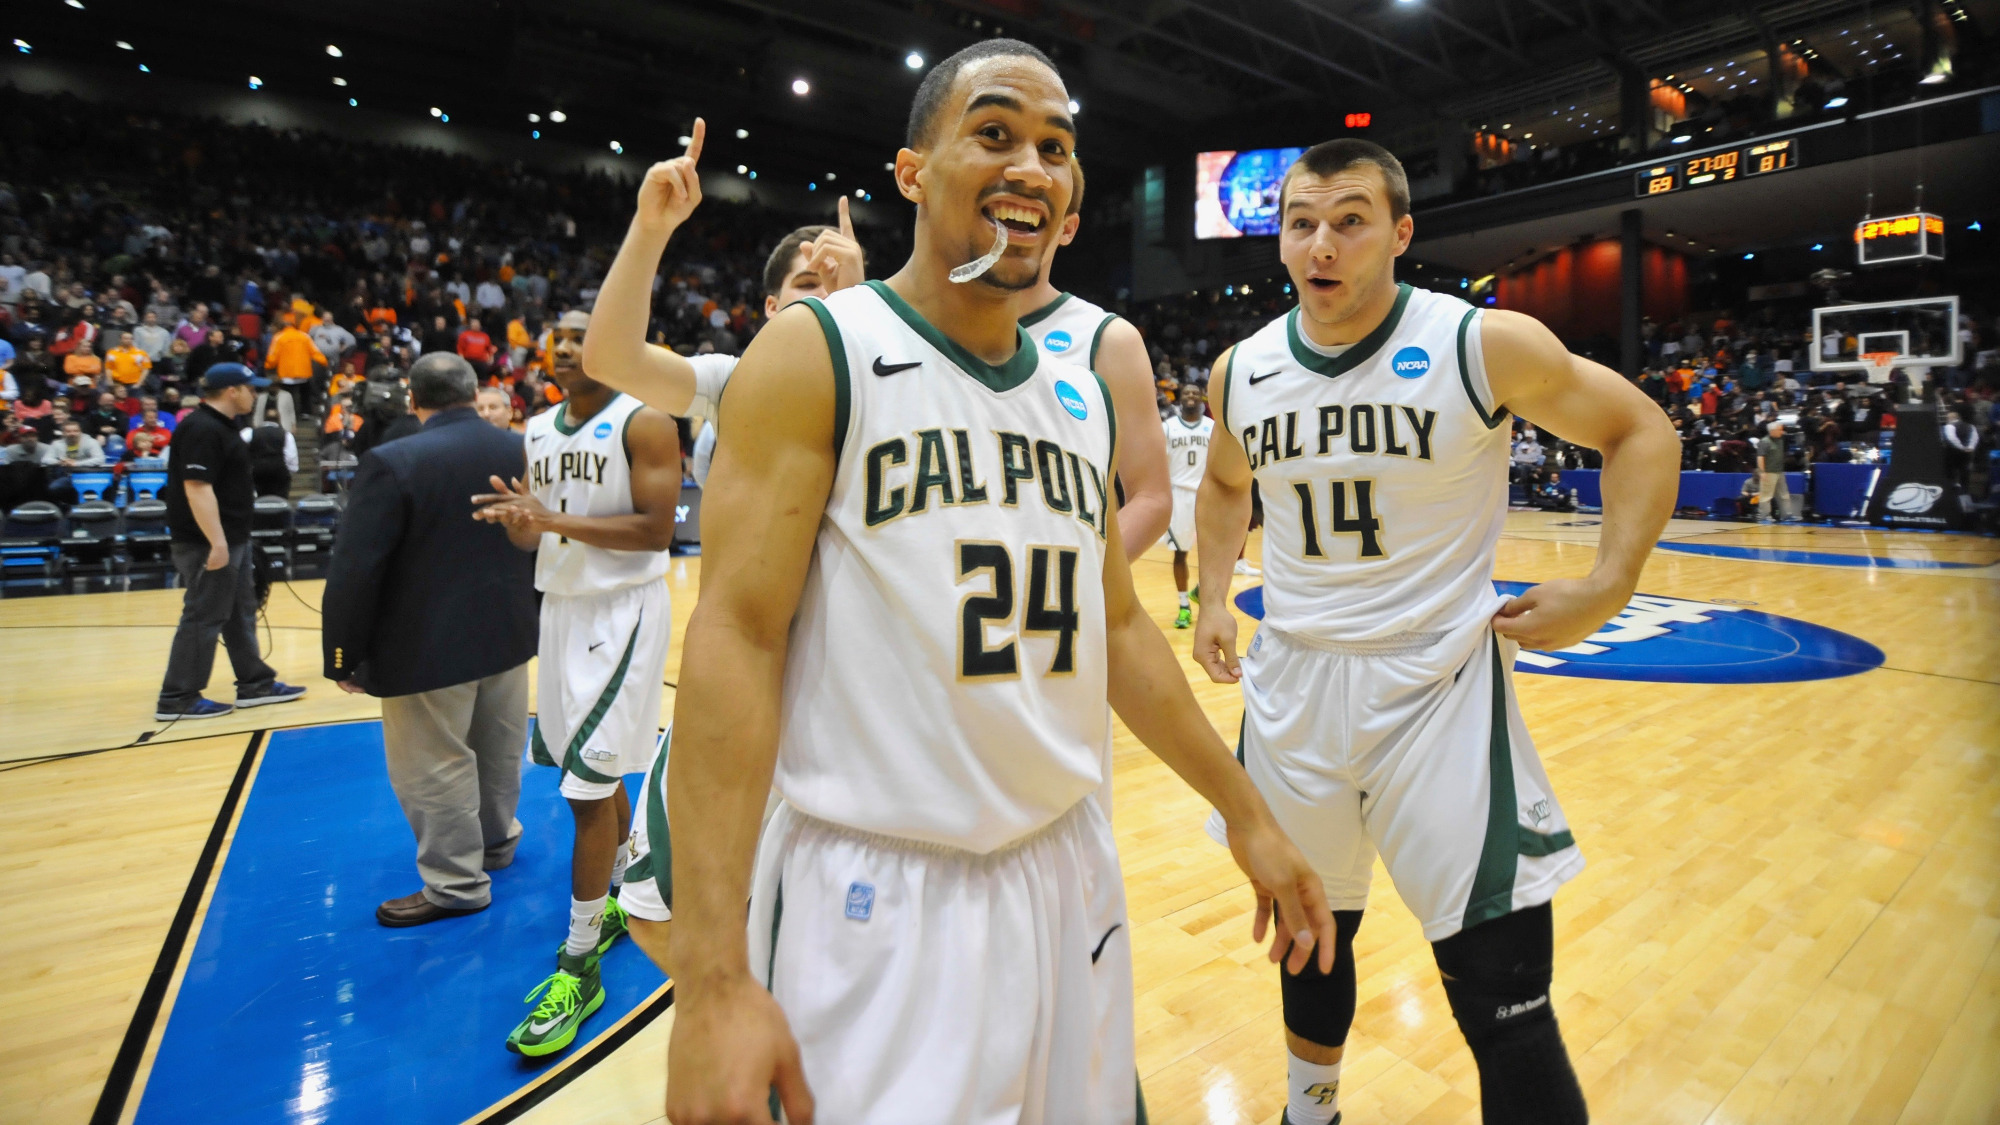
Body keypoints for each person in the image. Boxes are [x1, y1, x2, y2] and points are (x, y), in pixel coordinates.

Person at [653, 45, 1333, 1125]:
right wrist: (711, 979)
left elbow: (1114, 623)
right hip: (876, 889)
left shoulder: (1073, 394)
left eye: (1055, 148)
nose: (1031, 163)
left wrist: (1246, 812)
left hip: (1065, 873)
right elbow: (734, 639)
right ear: (913, 169)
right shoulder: (816, 353)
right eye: (995, 131)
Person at [1192, 139, 1678, 1125]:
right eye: (1299, 223)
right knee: (1307, 935)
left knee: (1500, 992)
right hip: (1292, 695)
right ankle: (1307, 1112)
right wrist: (1209, 594)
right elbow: (1221, 484)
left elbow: (1641, 432)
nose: (1320, 244)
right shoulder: (1239, 371)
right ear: (1278, 239)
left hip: (1437, 695)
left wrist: (1606, 584)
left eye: (1348, 220)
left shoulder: (1477, 345)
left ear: (1399, 233)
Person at [471, 308, 682, 1058]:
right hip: (560, 611)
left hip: (621, 610)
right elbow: (541, 529)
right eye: (554, 338)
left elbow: (658, 527)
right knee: (587, 774)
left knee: (584, 791)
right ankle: (622, 895)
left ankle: (579, 961)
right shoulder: (536, 427)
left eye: (578, 336)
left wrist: (552, 518)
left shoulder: (646, 420)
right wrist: (524, 527)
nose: (562, 349)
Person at [320, 353, 540, 928]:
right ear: (474, 394)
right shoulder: (522, 449)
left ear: (414, 402)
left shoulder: (392, 461)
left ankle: (456, 884)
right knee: (498, 749)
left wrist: (343, 652)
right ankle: (496, 845)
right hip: (511, 634)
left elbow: (355, 569)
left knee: (434, 765)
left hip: (424, 647)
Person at [583, 193, 867, 487]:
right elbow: (610, 360)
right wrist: (648, 229)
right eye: (807, 284)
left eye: (842, 285)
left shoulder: (899, 375)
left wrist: (853, 308)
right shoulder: (731, 380)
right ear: (772, 306)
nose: (825, 294)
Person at [1012, 154, 1172, 559]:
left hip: (1057, 605)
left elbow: (1151, 498)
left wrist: (1074, 582)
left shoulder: (1107, 339)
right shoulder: (928, 329)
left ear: (1068, 229)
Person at [153, 363, 308, 721]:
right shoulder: (202, 429)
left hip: (230, 538)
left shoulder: (222, 427)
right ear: (231, 391)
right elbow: (197, 488)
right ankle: (178, 696)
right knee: (203, 615)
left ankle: (255, 683)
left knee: (240, 612)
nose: (255, 395)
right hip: (206, 542)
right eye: (250, 388)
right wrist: (217, 542)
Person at [1162, 383, 1213, 627]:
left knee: (1214, 553)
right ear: (1180, 399)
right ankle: (1184, 607)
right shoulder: (1167, 428)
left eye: (1195, 393)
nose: (1191, 396)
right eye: (1186, 393)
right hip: (1179, 495)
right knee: (1180, 553)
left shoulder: (1212, 428)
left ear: (1201, 397)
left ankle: (1201, 592)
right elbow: (1159, 464)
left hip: (1207, 496)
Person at [247, 406, 296, 498]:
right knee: (280, 500)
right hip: (279, 472)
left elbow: (240, 447)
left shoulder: (250, 433)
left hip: (257, 471)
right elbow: (291, 457)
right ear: (279, 419)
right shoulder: (286, 435)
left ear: (264, 418)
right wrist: (290, 471)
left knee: (258, 499)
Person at [1756, 420, 1789, 522]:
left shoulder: (1780, 440)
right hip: (1769, 472)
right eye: (1779, 430)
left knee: (1784, 494)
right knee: (1766, 496)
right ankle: (1764, 516)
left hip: (1779, 472)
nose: (1782, 431)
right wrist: (1762, 471)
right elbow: (1760, 457)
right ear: (1772, 431)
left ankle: (1787, 515)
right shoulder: (1764, 442)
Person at [1942, 408, 1979, 488]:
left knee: (1951, 470)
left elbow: (1951, 438)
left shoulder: (1949, 426)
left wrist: (1961, 447)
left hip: (1952, 452)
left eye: (1947, 418)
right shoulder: (1970, 426)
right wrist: (1970, 447)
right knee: (1965, 470)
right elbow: (1974, 437)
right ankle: (1965, 489)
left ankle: (1952, 488)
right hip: (1967, 453)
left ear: (1950, 418)